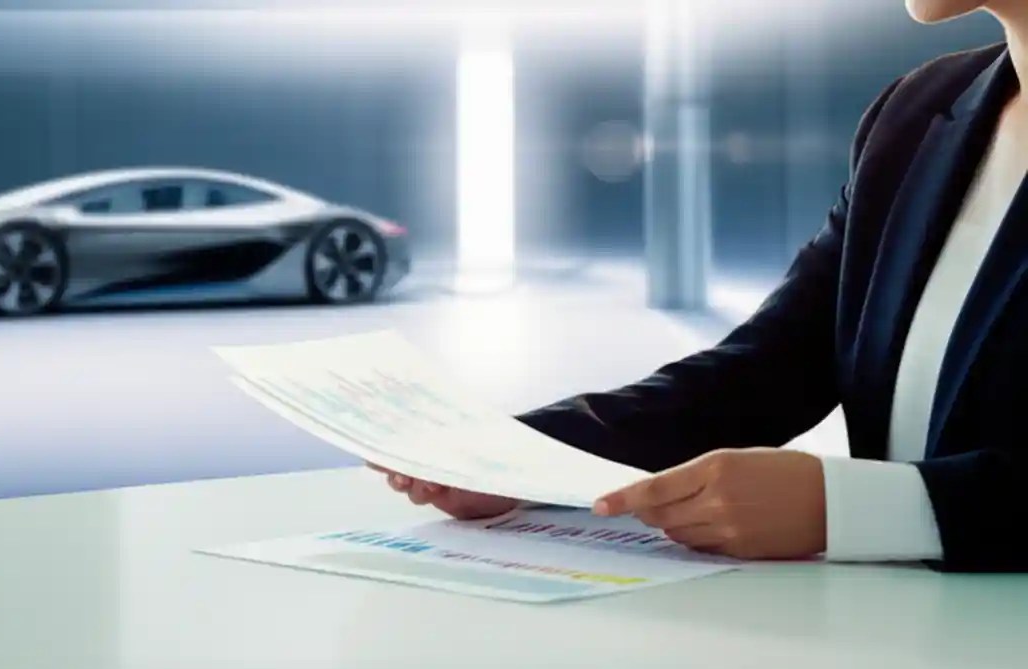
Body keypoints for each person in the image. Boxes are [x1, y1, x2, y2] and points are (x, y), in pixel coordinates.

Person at [374, 0, 1028, 572]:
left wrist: (851, 509)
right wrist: (523, 458)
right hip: (920, 649)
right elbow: (771, 367)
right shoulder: (919, 113)